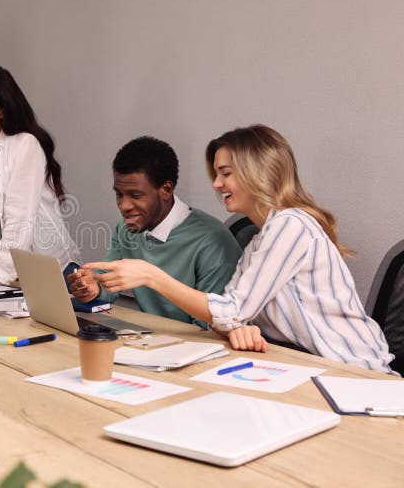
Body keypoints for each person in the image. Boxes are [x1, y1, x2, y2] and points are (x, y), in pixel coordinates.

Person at [85, 125, 395, 373]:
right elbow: (230, 314)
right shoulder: (260, 239)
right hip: (310, 368)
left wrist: (152, 277)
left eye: (226, 173)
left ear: (257, 172)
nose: (217, 184)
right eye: (216, 174)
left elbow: (230, 311)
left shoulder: (291, 225)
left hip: (356, 373)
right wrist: (236, 328)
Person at [68, 137, 242, 328]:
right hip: (149, 340)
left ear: (166, 190)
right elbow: (108, 283)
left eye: (136, 195)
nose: (124, 206)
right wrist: (93, 287)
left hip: (194, 348)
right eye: (119, 194)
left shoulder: (213, 241)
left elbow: (211, 326)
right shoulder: (126, 229)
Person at [0, 65, 81, 286]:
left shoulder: (26, 145)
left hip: (48, 266)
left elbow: (20, 218)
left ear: (3, 111)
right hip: (10, 267)